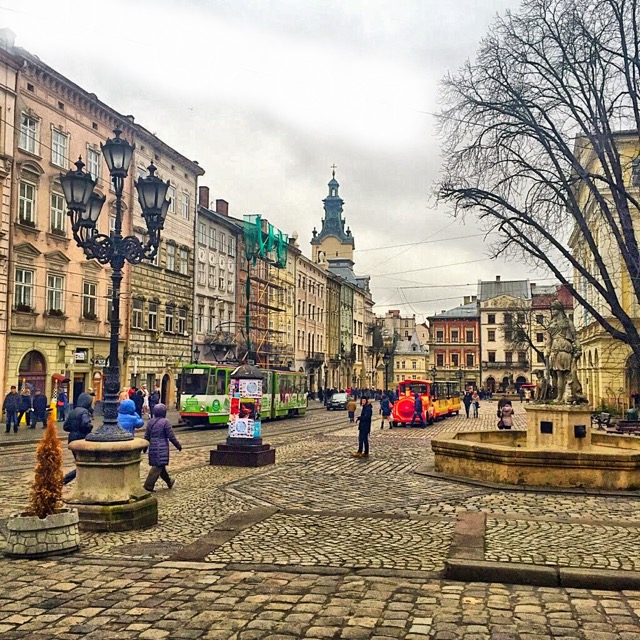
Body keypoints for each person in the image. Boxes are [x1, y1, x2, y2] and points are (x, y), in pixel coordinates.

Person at [143, 404, 182, 492]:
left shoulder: (150, 422)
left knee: (161, 466)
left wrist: (145, 448)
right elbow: (171, 436)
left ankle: (169, 481)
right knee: (158, 466)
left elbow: (146, 436)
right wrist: (178, 445)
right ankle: (148, 486)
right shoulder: (165, 422)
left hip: (152, 446)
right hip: (162, 447)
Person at [63, 392, 94, 484]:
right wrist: (90, 427)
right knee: (85, 463)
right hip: (81, 439)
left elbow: (65, 427)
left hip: (72, 438)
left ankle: (81, 480)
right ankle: (65, 479)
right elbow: (85, 424)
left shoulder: (73, 411)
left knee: (80, 462)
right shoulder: (84, 412)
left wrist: (73, 429)